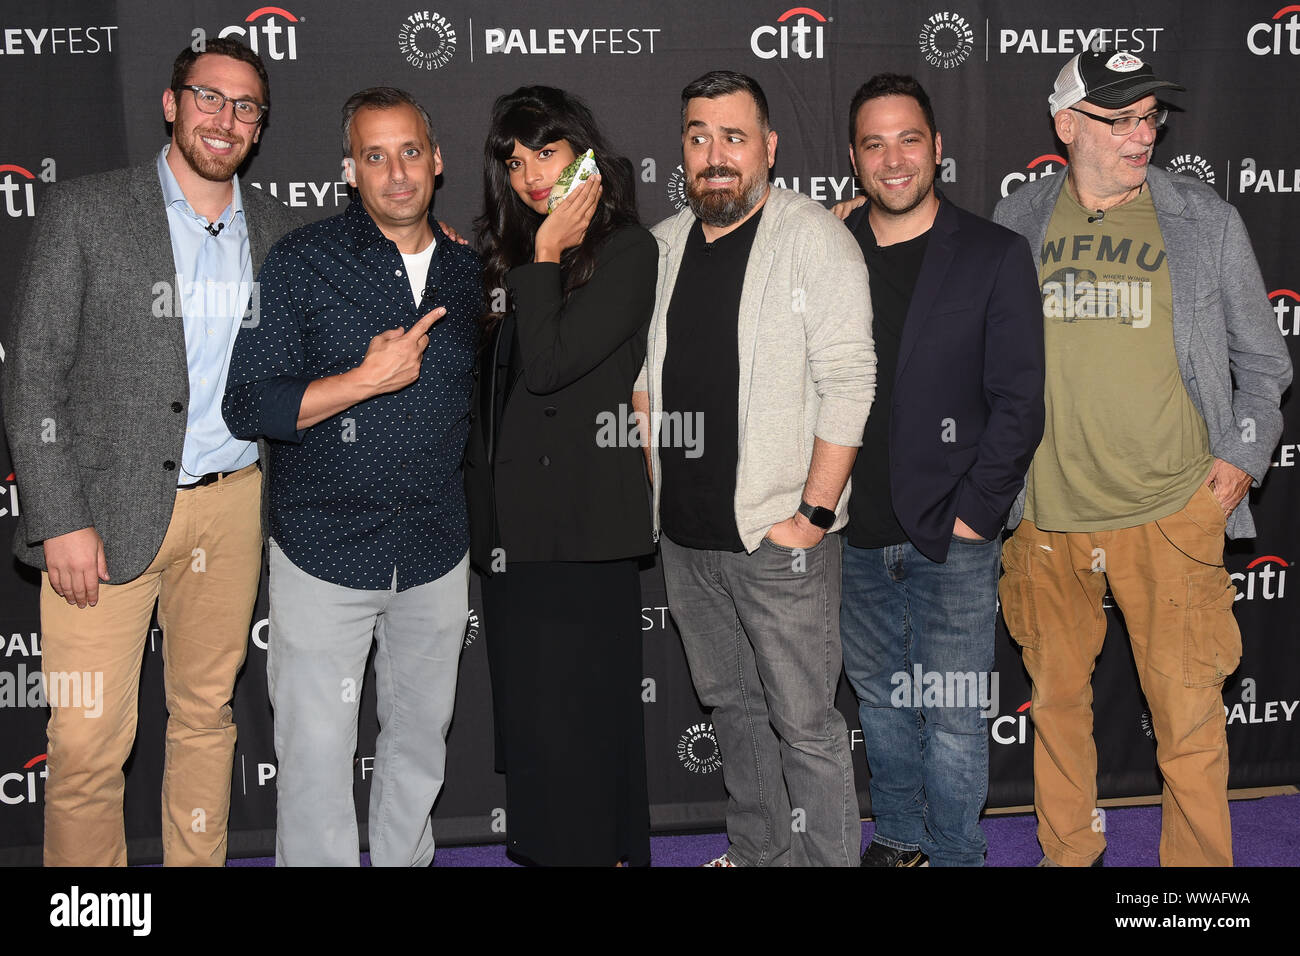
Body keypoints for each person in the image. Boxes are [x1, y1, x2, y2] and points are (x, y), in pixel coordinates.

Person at [2, 38, 299, 866]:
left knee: (206, 718)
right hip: (100, 514)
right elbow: (33, 377)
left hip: (234, 506)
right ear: (172, 104)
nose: (226, 117)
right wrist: (58, 517)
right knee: (89, 737)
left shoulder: (278, 230)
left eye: (246, 106)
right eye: (209, 96)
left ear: (260, 127)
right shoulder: (87, 212)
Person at [992, 49, 1292, 866]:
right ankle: (1071, 857)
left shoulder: (1205, 221)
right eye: (1118, 118)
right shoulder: (1015, 220)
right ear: (1065, 127)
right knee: (1055, 713)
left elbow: (1265, 365)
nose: (1141, 135)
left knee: (1191, 725)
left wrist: (1235, 467)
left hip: (1172, 515)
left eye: (1149, 117)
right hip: (1046, 520)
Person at [222, 87, 480, 866]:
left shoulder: (470, 272)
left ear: (436, 161)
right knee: (315, 760)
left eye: (409, 152)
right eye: (375, 156)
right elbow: (247, 403)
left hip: (434, 550)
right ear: (350, 171)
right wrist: (364, 382)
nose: (396, 172)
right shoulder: (301, 263)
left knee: (418, 746)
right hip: (323, 551)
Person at [632, 71, 875, 867]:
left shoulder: (814, 239)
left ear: (768, 147)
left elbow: (850, 382)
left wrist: (811, 514)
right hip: (689, 539)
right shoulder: (662, 246)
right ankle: (760, 852)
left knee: (805, 725)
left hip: (780, 540)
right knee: (733, 710)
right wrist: (654, 483)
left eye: (733, 137)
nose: (715, 154)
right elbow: (642, 381)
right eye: (699, 136)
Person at [831, 74, 1044, 867]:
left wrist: (974, 517)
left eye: (908, 139)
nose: (894, 159)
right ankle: (898, 840)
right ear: (854, 159)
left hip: (952, 535)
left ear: (938, 148)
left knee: (953, 717)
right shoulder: (830, 248)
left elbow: (1020, 401)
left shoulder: (994, 254)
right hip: (852, 532)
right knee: (882, 708)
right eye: (875, 144)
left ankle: (956, 854)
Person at [465, 86, 657, 867]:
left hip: (583, 532)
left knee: (583, 721)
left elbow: (546, 368)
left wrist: (544, 256)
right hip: (513, 536)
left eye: (546, 152)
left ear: (583, 153)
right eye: (515, 160)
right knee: (539, 725)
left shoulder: (627, 250)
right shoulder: (503, 258)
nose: (531, 175)